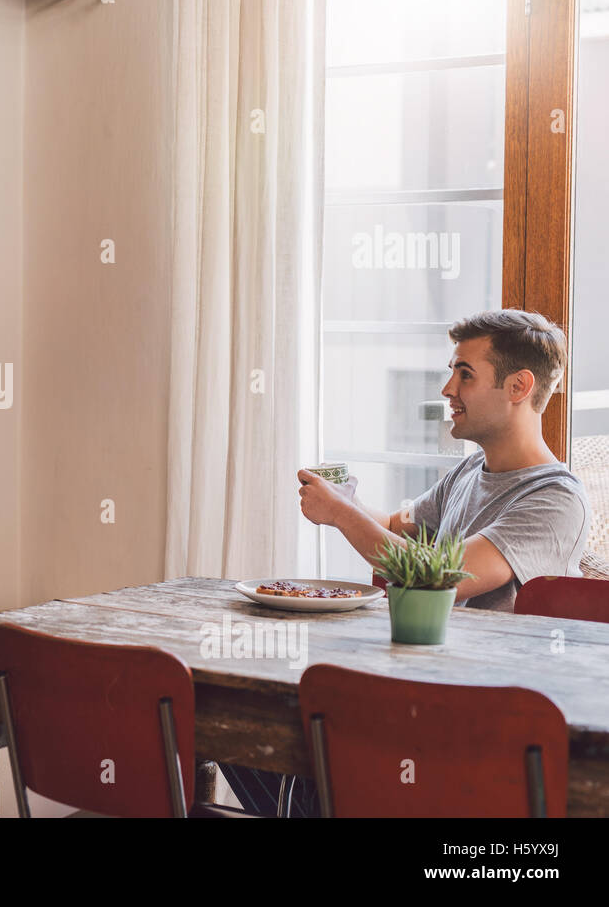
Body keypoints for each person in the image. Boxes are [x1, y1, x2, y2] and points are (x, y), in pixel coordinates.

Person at [222, 308, 592, 816]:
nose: (447, 389)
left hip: (484, 720)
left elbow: (439, 579)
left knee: (290, 747)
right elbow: (398, 528)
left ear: (518, 386)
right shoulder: (469, 471)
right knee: (239, 724)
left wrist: (341, 515)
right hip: (423, 687)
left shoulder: (554, 498)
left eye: (465, 374)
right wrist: (345, 500)